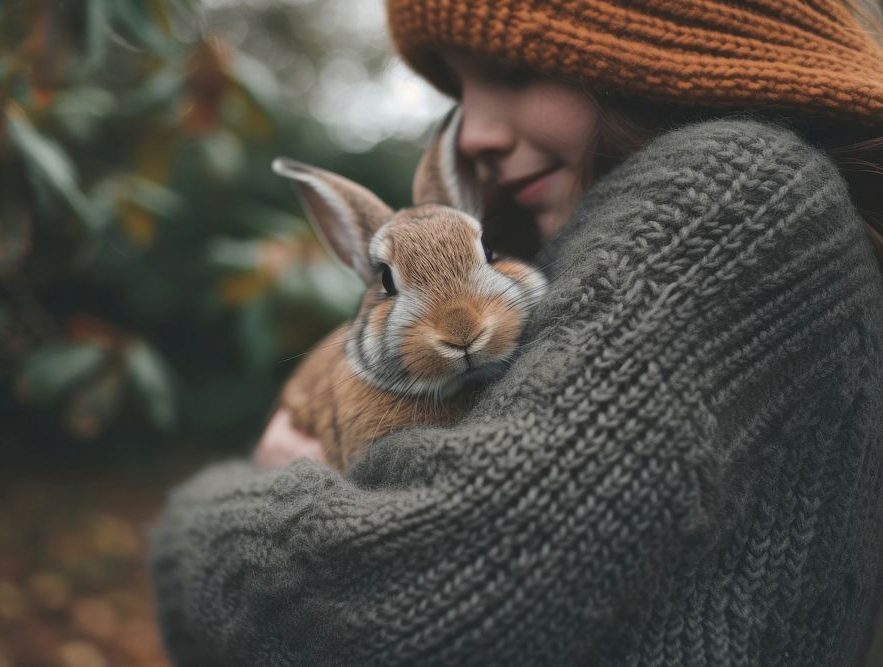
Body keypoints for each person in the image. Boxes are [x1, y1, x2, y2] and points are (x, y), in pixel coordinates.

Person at [150, 1, 883, 664]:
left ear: (656, 35)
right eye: (459, 90)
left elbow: (437, 586)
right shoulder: (623, 238)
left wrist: (206, 529)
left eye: (514, 71)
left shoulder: (739, 186)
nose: (472, 134)